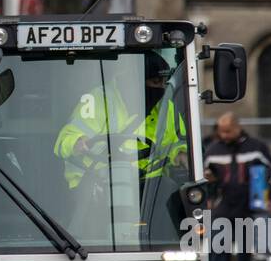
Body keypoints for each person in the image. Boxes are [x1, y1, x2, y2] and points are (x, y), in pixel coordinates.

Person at [54, 52, 188, 191]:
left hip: (149, 193)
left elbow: (179, 142)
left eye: (164, 82)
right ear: (136, 82)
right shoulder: (98, 101)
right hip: (95, 186)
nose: (161, 89)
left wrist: (181, 153)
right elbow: (66, 139)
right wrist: (78, 142)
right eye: (155, 82)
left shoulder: (165, 108)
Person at [203, 112, 271, 261]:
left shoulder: (256, 148)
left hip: (247, 208)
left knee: (244, 255)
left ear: (238, 127)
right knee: (217, 251)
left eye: (228, 131)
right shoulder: (213, 150)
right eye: (221, 131)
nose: (225, 135)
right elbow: (203, 180)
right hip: (223, 207)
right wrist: (209, 194)